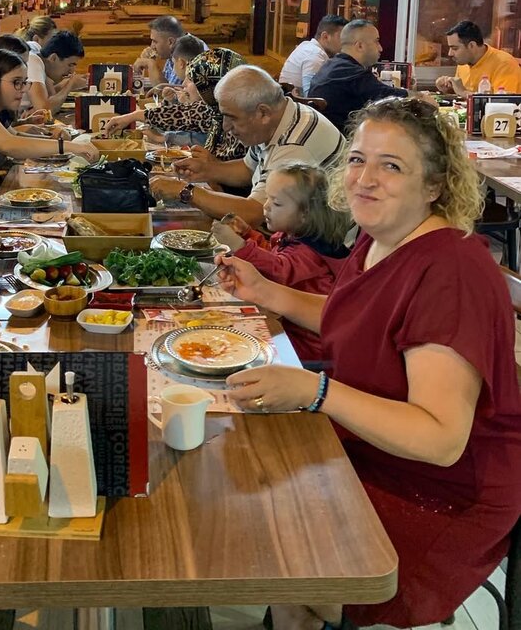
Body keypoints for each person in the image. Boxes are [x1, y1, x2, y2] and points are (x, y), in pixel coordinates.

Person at [216, 96, 521, 630]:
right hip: (374, 450)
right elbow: (353, 318)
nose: (365, 179)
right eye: (358, 159)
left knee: (288, 554)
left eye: (392, 165)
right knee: (255, 493)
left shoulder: (449, 271)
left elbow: (441, 438)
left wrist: (316, 392)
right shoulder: (382, 238)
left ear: (435, 185)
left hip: (442, 494)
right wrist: (267, 291)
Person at [150, 66, 344, 226]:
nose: (225, 127)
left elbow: (255, 213)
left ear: (263, 113)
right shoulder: (280, 118)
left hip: (317, 254)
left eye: (231, 117)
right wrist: (210, 169)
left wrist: (185, 191)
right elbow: (247, 169)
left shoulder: (295, 146)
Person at [223, 163, 350, 362]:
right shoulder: (291, 236)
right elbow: (272, 253)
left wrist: (240, 246)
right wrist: (248, 233)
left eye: (277, 203)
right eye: (268, 198)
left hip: (308, 348)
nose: (265, 206)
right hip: (287, 326)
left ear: (305, 213)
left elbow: (279, 270)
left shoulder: (311, 252)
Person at [0, 48, 99, 166]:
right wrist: (70, 147)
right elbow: (10, 145)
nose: (23, 89)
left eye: (24, 82)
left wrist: (55, 141)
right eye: (16, 82)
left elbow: (15, 135)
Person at [104, 47, 247, 161]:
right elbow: (180, 115)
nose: (184, 84)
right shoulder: (215, 110)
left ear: (211, 84)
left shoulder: (242, 125)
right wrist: (131, 117)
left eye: (191, 79)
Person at [308, 18, 408, 132]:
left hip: (325, 136)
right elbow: (392, 98)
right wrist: (420, 97)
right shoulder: (352, 73)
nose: (381, 48)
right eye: (376, 41)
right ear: (360, 46)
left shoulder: (332, 65)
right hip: (342, 143)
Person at [435, 19, 521, 95]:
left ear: (471, 45)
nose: (450, 53)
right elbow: (463, 98)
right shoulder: (463, 63)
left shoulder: (504, 64)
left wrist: (463, 92)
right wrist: (451, 90)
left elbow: (504, 104)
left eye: (455, 48)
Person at [279, 15, 347, 96]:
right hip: (297, 106)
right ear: (325, 36)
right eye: (341, 37)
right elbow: (311, 96)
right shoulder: (314, 56)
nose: (345, 42)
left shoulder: (307, 45)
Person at [26, 30, 89, 114]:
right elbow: (44, 112)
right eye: (70, 65)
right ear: (53, 58)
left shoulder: (39, 54)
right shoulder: (33, 61)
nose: (72, 71)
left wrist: (66, 84)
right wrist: (70, 85)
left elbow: (50, 95)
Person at [133, 16, 188, 87]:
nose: (152, 46)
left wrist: (151, 64)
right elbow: (167, 85)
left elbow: (168, 94)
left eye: (155, 41)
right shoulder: (172, 54)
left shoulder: (185, 54)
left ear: (170, 42)